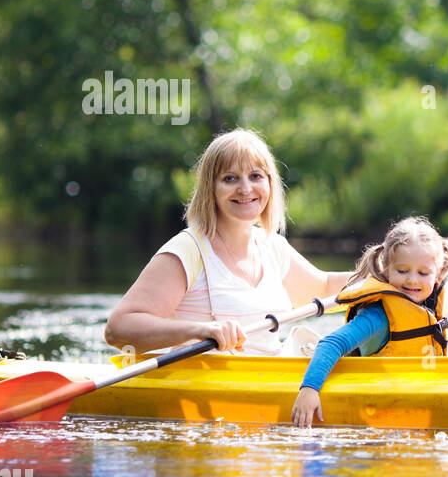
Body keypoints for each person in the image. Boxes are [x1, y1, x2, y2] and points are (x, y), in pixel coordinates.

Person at [105, 128, 354, 356]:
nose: (245, 188)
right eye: (230, 179)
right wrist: (201, 330)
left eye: (255, 176)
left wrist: (380, 276)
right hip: (204, 388)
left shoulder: (271, 246)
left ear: (269, 183)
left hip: (266, 382)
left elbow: (324, 288)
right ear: (210, 189)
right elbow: (118, 329)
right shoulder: (188, 250)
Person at [291, 217, 448, 427]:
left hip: (416, 399)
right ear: (386, 269)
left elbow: (442, 340)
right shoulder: (378, 317)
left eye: (423, 273)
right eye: (402, 270)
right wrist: (309, 389)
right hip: (376, 406)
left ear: (438, 274)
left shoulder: (430, 306)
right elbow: (332, 343)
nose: (412, 280)